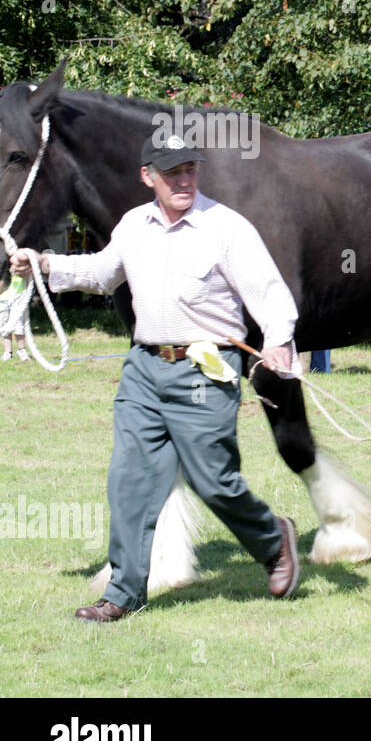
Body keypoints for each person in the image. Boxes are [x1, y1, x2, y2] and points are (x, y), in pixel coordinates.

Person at [9, 133, 302, 622]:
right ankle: (123, 593)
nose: (184, 179)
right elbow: (102, 274)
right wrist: (45, 263)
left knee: (215, 482)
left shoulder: (225, 227)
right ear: (148, 177)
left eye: (190, 169)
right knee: (129, 480)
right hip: (144, 368)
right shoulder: (133, 225)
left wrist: (277, 339)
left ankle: (274, 539)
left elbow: (269, 292)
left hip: (205, 370)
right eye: (172, 172)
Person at [0, 275, 30, 361]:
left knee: (18, 325)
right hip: (2, 298)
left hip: (17, 296)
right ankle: (8, 352)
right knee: (4, 326)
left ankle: (22, 350)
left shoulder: (17, 262)